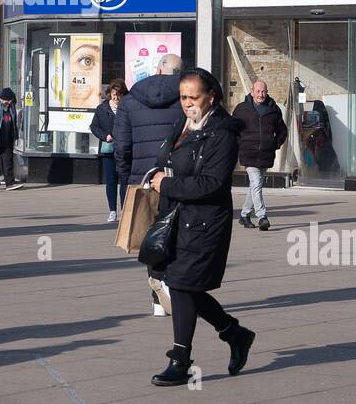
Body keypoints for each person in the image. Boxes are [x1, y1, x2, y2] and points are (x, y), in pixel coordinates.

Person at [147, 67, 254, 386]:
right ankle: (234, 333)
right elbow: (171, 158)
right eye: (182, 97)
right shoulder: (185, 122)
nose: (187, 103)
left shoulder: (222, 133)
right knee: (184, 285)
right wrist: (158, 173)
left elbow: (211, 183)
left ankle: (181, 360)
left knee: (182, 284)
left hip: (205, 222)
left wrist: (166, 184)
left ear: (212, 97)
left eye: (193, 97)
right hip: (178, 217)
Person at [114, 52, 185, 317]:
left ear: (157, 69)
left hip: (142, 180)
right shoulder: (185, 100)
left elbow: (121, 147)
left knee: (152, 240)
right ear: (179, 73)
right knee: (176, 236)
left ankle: (157, 300)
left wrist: (127, 179)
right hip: (175, 179)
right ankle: (169, 289)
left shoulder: (130, 100)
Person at [231, 79, 288, 232]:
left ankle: (244, 215)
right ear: (252, 91)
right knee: (256, 184)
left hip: (266, 154)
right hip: (249, 153)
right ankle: (262, 216)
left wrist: (274, 144)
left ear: (267, 92)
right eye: (258, 91)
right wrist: (241, 144)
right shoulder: (241, 109)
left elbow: (282, 131)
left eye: (263, 92)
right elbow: (232, 130)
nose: (261, 95)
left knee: (255, 186)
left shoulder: (274, 110)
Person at [90, 79, 129, 223]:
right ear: (109, 94)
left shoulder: (127, 108)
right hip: (108, 149)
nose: (116, 97)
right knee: (111, 181)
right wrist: (104, 136)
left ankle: (125, 210)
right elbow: (94, 127)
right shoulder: (102, 109)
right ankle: (112, 211)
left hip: (124, 149)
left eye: (119, 95)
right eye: (114, 94)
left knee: (124, 180)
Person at [306, 100, 340, 174]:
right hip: (323, 139)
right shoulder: (322, 112)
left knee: (322, 154)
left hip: (319, 138)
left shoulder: (316, 112)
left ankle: (324, 168)